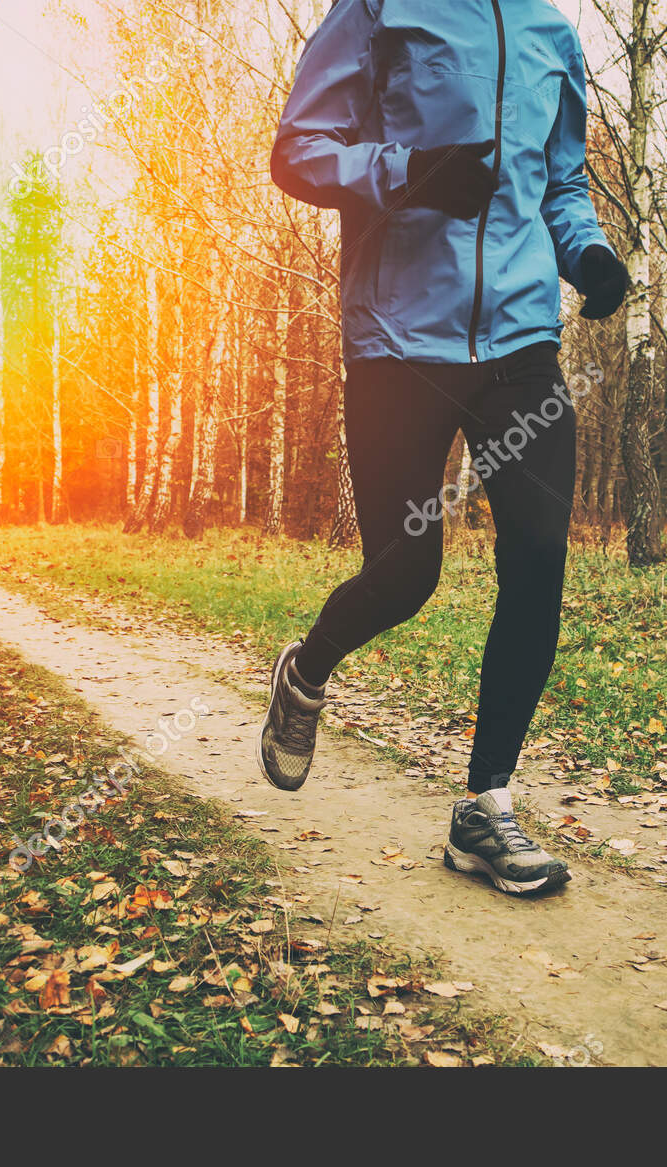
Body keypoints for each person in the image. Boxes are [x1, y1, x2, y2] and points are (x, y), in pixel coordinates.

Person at [261, 0, 627, 896]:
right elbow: (297, 151)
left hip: (521, 341)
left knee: (538, 554)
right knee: (406, 571)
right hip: (397, 338)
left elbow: (560, 187)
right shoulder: (382, 8)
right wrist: (407, 173)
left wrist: (587, 254)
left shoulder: (552, 34)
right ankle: (306, 671)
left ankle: (485, 805)